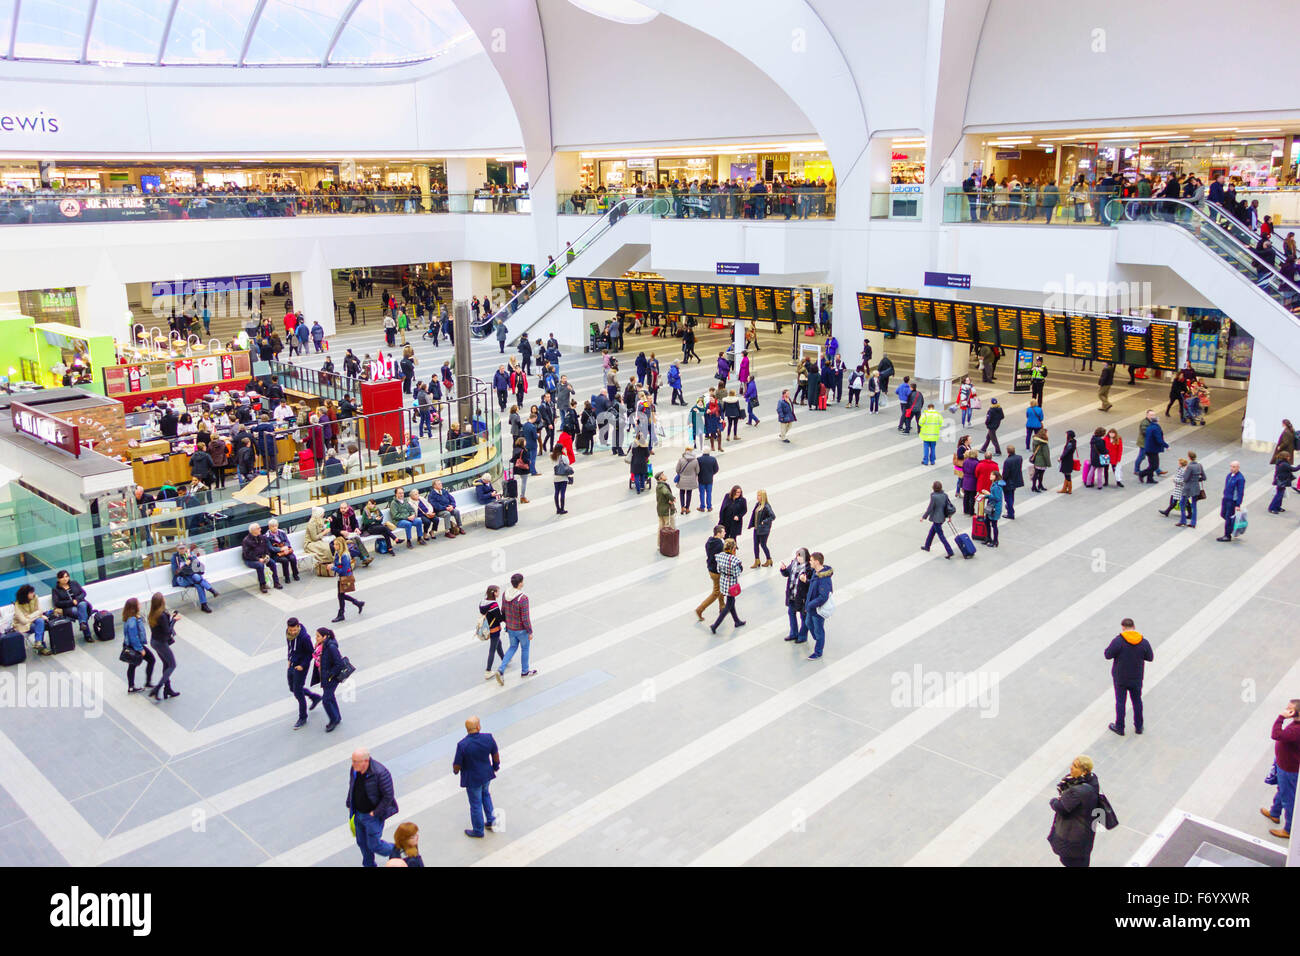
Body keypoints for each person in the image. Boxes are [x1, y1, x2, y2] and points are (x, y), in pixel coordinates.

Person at [347, 747, 398, 866]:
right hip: (358, 813)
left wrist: (375, 812)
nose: (353, 764)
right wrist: (349, 802)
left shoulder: (380, 773)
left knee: (374, 845)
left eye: (356, 761)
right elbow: (352, 786)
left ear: (366, 761)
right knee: (362, 843)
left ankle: (396, 849)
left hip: (372, 816)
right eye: (352, 760)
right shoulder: (354, 769)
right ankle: (369, 865)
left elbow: (388, 796)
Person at [1047, 755, 1101, 867]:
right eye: (1072, 764)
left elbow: (1062, 808)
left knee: (1071, 861)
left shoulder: (1078, 791)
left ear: (1084, 771)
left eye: (1075, 766)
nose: (1071, 767)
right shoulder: (1091, 781)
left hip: (1074, 837)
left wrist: (1053, 801)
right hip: (1084, 835)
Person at [453, 716, 501, 838]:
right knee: (486, 795)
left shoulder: (462, 745)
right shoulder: (488, 738)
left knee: (475, 804)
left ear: (467, 729)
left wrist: (456, 770)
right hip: (486, 775)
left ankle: (478, 830)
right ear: (478, 726)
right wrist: (495, 766)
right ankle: (491, 821)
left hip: (472, 779)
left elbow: (457, 765)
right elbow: (495, 754)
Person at [1104, 618, 1153, 736]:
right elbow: (1150, 657)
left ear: (1123, 628)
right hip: (1136, 677)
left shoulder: (1118, 641)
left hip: (1120, 678)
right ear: (1134, 627)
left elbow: (1107, 655)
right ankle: (1139, 727)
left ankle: (1120, 728)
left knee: (1121, 702)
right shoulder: (1143, 642)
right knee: (1137, 701)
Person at [1263, 700, 1300, 840]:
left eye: (1289, 709)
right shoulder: (1296, 723)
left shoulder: (1296, 729)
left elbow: (1276, 735)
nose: (1285, 710)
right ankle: (1274, 812)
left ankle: (1289, 829)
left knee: (1288, 798)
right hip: (1283, 763)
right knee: (1282, 790)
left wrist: (1281, 718)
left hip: (1289, 768)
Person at [498, 573, 536, 679]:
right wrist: (530, 631)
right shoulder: (523, 598)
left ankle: (501, 669)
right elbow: (525, 618)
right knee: (525, 649)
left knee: (512, 647)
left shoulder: (505, 594)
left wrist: (507, 625)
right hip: (521, 630)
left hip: (510, 628)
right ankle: (525, 671)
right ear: (520, 584)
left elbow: (503, 611)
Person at [286, 617, 322, 729]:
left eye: (294, 630)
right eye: (290, 630)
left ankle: (303, 717)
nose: (292, 632)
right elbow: (290, 647)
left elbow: (310, 653)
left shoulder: (305, 638)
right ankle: (314, 697)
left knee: (298, 692)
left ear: (298, 626)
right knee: (292, 688)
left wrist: (302, 665)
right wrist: (289, 659)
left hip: (301, 667)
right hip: (292, 664)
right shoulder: (288, 633)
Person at [146, 592, 180, 701]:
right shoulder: (162, 615)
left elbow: (162, 628)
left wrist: (170, 619)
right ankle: (158, 688)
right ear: (161, 602)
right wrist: (174, 621)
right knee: (172, 665)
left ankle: (168, 689)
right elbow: (167, 631)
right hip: (161, 643)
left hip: (155, 642)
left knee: (166, 664)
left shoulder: (152, 614)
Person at [710, 539, 745, 634]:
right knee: (728, 606)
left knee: (731, 602)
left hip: (723, 582)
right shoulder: (735, 560)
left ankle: (737, 621)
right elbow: (736, 573)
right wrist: (740, 568)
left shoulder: (720, 556)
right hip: (731, 584)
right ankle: (715, 625)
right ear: (733, 549)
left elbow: (718, 569)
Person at [803, 552, 833, 660]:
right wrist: (806, 580)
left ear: (816, 562)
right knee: (808, 623)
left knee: (819, 630)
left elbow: (823, 597)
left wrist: (810, 604)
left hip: (817, 610)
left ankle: (818, 651)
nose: (809, 562)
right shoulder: (816, 573)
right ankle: (819, 640)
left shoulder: (824, 578)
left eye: (811, 560)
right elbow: (813, 584)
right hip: (811, 608)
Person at [170, 543, 217, 612]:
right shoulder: (175, 557)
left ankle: (204, 605)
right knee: (196, 579)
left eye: (183, 548)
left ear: (186, 548)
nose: (182, 550)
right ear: (177, 549)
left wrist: (191, 557)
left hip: (193, 577)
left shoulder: (190, 554)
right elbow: (175, 572)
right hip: (182, 579)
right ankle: (210, 589)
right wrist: (185, 565)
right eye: (180, 548)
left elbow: (198, 565)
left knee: (197, 581)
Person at [121, 597, 154, 692]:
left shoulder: (131, 618)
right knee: (151, 660)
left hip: (133, 646)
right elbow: (133, 636)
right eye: (138, 603)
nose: (140, 604)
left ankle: (131, 686)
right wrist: (140, 649)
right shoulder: (132, 620)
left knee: (132, 665)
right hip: (136, 646)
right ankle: (148, 682)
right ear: (134, 607)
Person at [51, 569, 93, 641]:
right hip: (69, 608)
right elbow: (57, 603)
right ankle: (86, 633)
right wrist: (71, 602)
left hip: (80, 604)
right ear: (58, 579)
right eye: (62, 577)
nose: (65, 579)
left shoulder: (74, 583)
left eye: (67, 576)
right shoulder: (55, 590)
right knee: (81, 613)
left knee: (82, 605)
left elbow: (83, 593)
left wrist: (77, 600)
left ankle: (83, 624)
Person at [779, 547, 811, 642]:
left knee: (803, 617)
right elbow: (787, 574)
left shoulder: (809, 568)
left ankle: (802, 636)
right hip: (792, 595)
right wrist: (783, 570)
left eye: (800, 556)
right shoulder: (793, 563)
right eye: (797, 555)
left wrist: (805, 580)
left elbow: (811, 583)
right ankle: (793, 633)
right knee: (791, 614)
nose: (798, 557)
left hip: (802, 597)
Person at [331, 537, 365, 622]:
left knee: (340, 595)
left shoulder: (344, 556)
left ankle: (341, 614)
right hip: (341, 577)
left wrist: (333, 568)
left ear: (340, 545)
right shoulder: (338, 554)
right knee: (341, 595)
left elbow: (343, 570)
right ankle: (357, 603)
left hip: (344, 577)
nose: (334, 546)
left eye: (336, 544)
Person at [920, 480, 956, 558]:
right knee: (932, 532)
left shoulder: (934, 497)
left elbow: (930, 508)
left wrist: (924, 517)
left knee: (941, 536)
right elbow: (947, 507)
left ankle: (950, 551)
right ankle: (927, 546)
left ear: (933, 488)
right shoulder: (945, 495)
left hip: (936, 518)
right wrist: (949, 517)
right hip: (942, 517)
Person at [12, 584, 51, 655]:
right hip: (23, 625)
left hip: (32, 620)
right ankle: (41, 646)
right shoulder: (17, 605)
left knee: (40, 622)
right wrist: (38, 616)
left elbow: (40, 611)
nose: (33, 594)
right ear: (25, 594)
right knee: (39, 625)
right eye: (31, 593)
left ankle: (38, 643)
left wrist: (29, 616)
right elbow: (23, 621)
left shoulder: (35, 597)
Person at [479, 585, 506, 686]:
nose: (499, 593)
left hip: (487, 628)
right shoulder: (494, 605)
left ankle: (504, 659)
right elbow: (499, 619)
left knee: (498, 643)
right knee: (492, 649)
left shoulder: (482, 602)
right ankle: (488, 671)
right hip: (494, 629)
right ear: (494, 592)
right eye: (498, 592)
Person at [1217, 461, 1246, 542]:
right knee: (1223, 514)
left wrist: (1238, 504)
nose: (1231, 468)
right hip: (1226, 499)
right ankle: (1232, 527)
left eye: (1234, 467)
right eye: (1231, 466)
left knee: (1228, 517)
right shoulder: (1229, 475)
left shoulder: (1240, 478)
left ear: (1238, 467)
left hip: (1232, 501)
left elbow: (1240, 492)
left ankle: (1227, 535)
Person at [1176, 450, 1206, 527]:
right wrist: (1196, 479)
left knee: (1182, 503)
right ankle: (1193, 522)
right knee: (1194, 505)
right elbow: (1204, 477)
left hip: (1188, 488)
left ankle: (1183, 520)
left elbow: (1185, 479)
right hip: (1196, 488)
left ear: (1189, 457)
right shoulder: (1199, 465)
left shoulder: (1189, 467)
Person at [748, 489, 775, 567]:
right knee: (755, 545)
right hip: (757, 528)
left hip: (763, 529)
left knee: (763, 544)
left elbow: (773, 516)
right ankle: (757, 560)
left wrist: (764, 521)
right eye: (757, 495)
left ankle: (769, 559)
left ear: (763, 496)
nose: (757, 497)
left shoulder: (766, 506)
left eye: (759, 495)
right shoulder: (758, 504)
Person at [1001, 445, 1023, 520]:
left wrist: (1002, 480)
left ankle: (1010, 513)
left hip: (1008, 481)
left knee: (1008, 497)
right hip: (1016, 479)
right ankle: (1010, 509)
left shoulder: (1007, 461)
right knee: (1012, 495)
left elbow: (1005, 474)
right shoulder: (1019, 457)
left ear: (1007, 451)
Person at [675, 447, 699, 514]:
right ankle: (687, 508)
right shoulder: (695, 460)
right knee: (689, 493)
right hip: (691, 480)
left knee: (682, 492)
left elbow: (677, 470)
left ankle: (682, 507)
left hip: (682, 479)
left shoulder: (681, 460)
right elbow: (697, 471)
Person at [551, 447, 573, 514]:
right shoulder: (563, 457)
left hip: (556, 477)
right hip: (563, 477)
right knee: (562, 493)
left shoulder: (553, 457)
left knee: (556, 492)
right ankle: (562, 509)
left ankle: (558, 509)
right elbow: (568, 463)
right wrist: (566, 454)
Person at [1057, 429, 1077, 494]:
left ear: (1069, 436)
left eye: (1066, 434)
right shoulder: (1074, 441)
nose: (1066, 436)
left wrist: (1060, 458)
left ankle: (1069, 489)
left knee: (1067, 475)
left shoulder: (1070, 443)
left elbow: (1066, 452)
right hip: (1069, 460)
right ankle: (1065, 488)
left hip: (1067, 461)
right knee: (1067, 475)